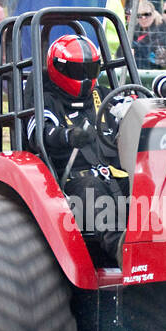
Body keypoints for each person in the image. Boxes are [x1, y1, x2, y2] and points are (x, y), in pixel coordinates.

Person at [36, 34, 125, 264]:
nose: (86, 77)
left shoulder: (104, 96)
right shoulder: (46, 100)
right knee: (92, 189)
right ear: (59, 69)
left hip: (115, 173)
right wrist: (68, 135)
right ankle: (123, 249)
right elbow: (38, 133)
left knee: (148, 182)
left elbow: (128, 112)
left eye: (91, 70)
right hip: (73, 182)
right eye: (79, 71)